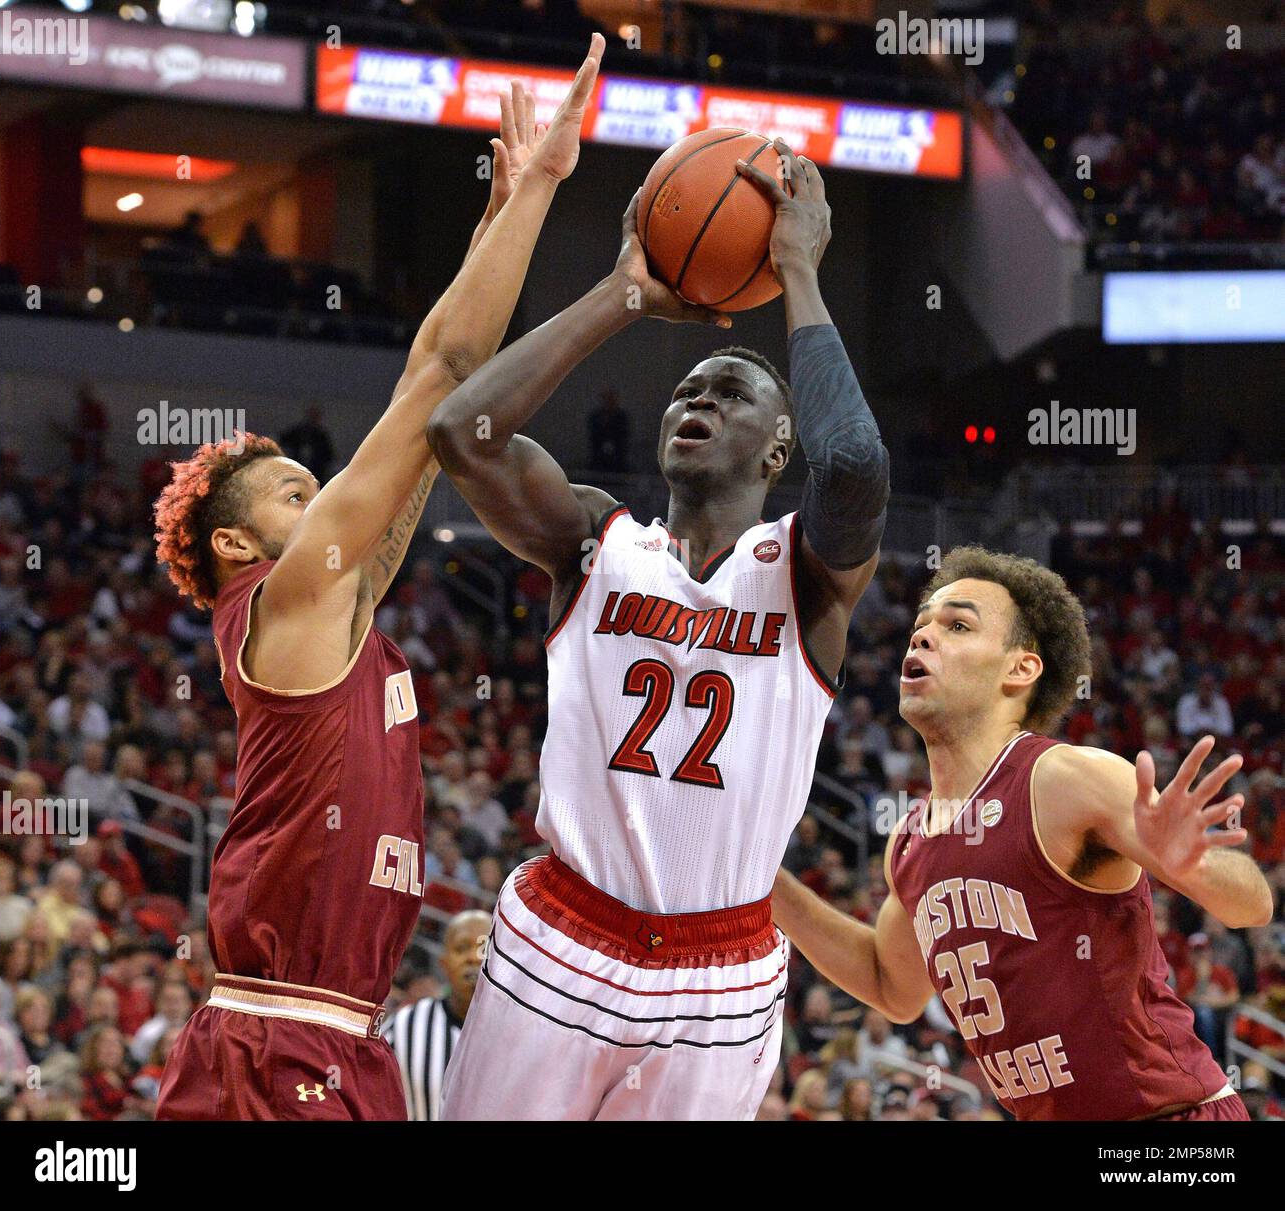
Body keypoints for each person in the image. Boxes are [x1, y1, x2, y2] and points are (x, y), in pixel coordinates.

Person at [150, 36, 606, 1121]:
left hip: (336, 1036)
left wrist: (496, 223)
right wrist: (539, 192)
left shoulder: (334, 606)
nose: (328, 498)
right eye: (296, 490)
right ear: (233, 544)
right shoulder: (290, 599)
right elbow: (439, 382)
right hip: (278, 1040)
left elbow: (436, 408)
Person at [430, 141, 890, 1119]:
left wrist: (799, 267)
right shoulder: (594, 539)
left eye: (730, 394)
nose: (698, 400)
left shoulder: (804, 578)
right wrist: (621, 296)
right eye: (686, 391)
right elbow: (460, 433)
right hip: (562, 934)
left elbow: (850, 463)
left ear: (777, 444)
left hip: (722, 976)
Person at [772, 546, 1273, 1121]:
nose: (923, 637)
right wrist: (768, 885)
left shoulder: (1063, 779)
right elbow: (893, 987)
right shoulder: (909, 841)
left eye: (957, 625)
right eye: (921, 626)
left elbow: (1253, 906)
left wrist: (1196, 868)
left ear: (1021, 668)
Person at [382, 910, 491, 1121]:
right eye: (462, 948)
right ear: (444, 963)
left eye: (484, 948)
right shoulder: (406, 1026)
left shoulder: (518, 1033)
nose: (473, 958)